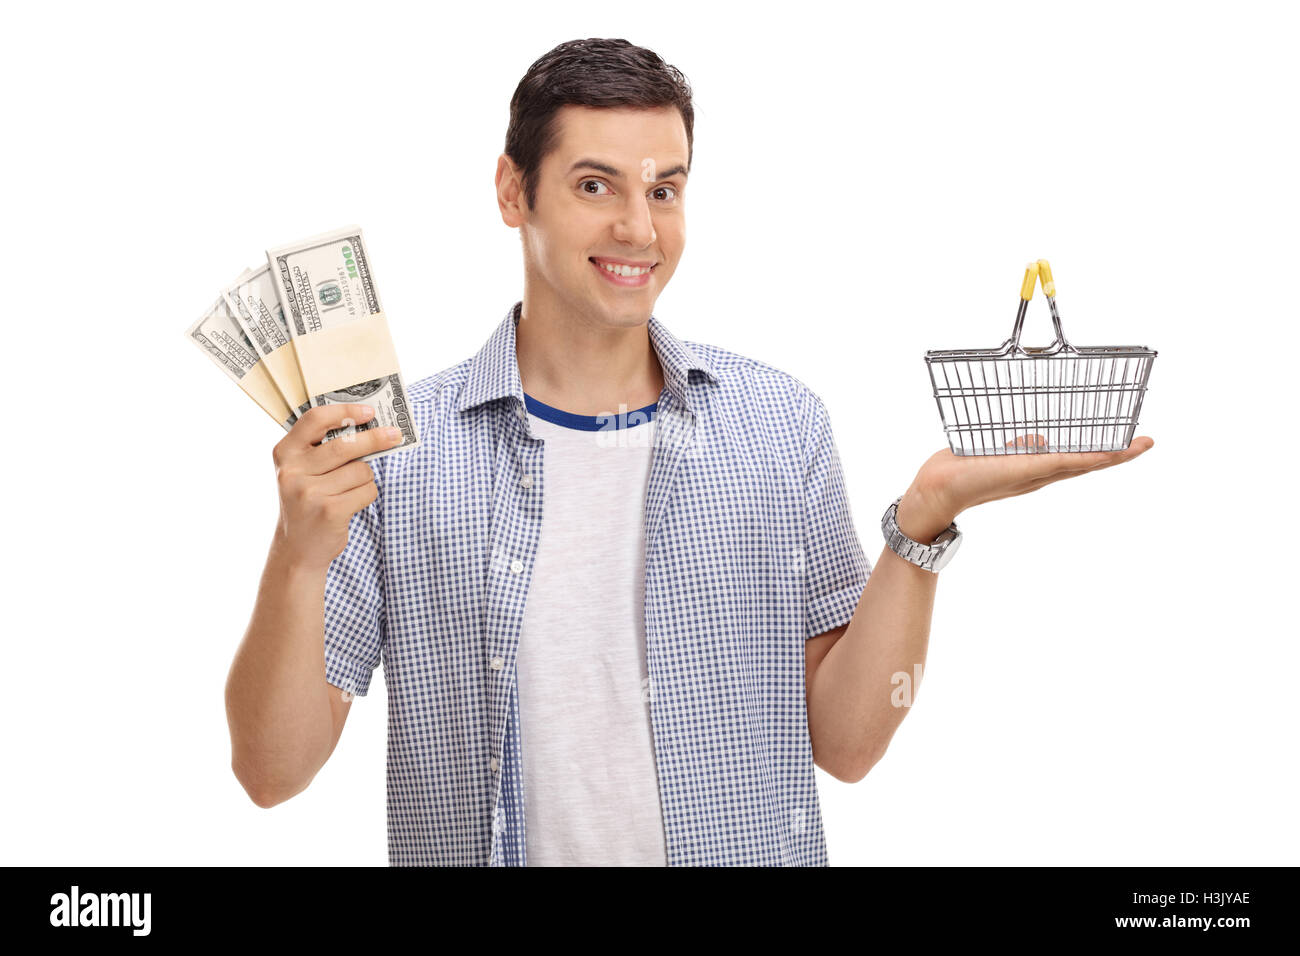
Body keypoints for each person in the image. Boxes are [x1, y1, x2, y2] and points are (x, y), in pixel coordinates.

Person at [223, 37, 1154, 866]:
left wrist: (925, 520)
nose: (640, 229)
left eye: (664, 189)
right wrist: (297, 556)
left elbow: (847, 745)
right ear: (514, 192)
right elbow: (272, 773)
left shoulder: (777, 424)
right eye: (597, 186)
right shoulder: (392, 453)